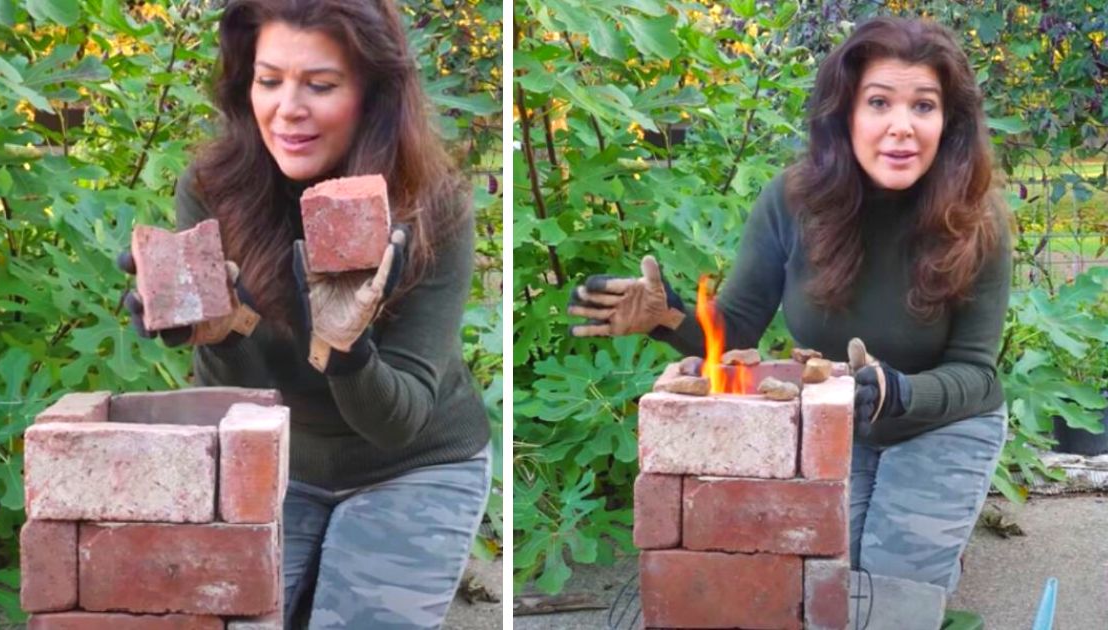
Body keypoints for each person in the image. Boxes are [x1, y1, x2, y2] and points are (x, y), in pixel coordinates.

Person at [568, 16, 1011, 595]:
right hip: (840, 421)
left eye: (923, 107)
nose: (901, 127)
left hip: (943, 422)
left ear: (948, 122)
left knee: (885, 596)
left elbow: (978, 376)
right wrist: (667, 316)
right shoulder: (794, 200)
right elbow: (735, 328)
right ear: (845, 114)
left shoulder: (976, 219)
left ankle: (928, 549)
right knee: (820, 581)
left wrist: (901, 392)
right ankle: (922, 545)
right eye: (879, 102)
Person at [117, 1, 492, 627]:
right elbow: (233, 398)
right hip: (281, 461)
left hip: (412, 463)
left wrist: (347, 347)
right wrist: (221, 330)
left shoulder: (432, 206)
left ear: (374, 93)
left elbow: (398, 423)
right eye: (269, 80)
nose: (287, 108)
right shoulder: (214, 189)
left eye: (320, 85)